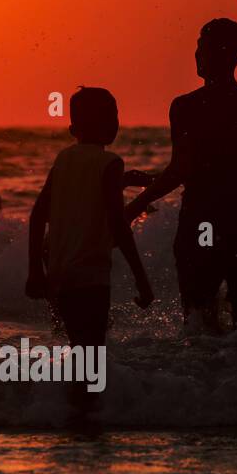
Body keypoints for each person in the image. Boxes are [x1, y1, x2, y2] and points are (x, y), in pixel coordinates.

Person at [125, 18, 237, 334]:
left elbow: (183, 169)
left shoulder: (187, 106)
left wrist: (134, 206)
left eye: (201, 46)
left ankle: (203, 381)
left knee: (199, 320)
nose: (195, 53)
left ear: (219, 52)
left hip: (202, 220)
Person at [26, 88, 155, 355]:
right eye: (111, 116)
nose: (116, 122)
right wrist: (141, 279)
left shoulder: (64, 159)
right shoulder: (110, 162)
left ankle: (64, 396)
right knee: (92, 355)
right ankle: (82, 397)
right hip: (90, 280)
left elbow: (40, 214)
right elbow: (118, 227)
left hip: (59, 276)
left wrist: (36, 272)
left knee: (78, 351)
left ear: (74, 128)